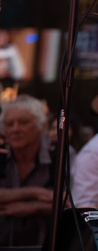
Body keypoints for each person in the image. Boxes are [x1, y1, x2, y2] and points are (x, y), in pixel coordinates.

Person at [0, 95, 56, 247]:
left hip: (46, 244)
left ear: (41, 125)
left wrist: (33, 207)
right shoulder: (2, 155)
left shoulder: (60, 155)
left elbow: (72, 202)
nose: (15, 129)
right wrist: (35, 193)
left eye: (23, 122)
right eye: (9, 124)